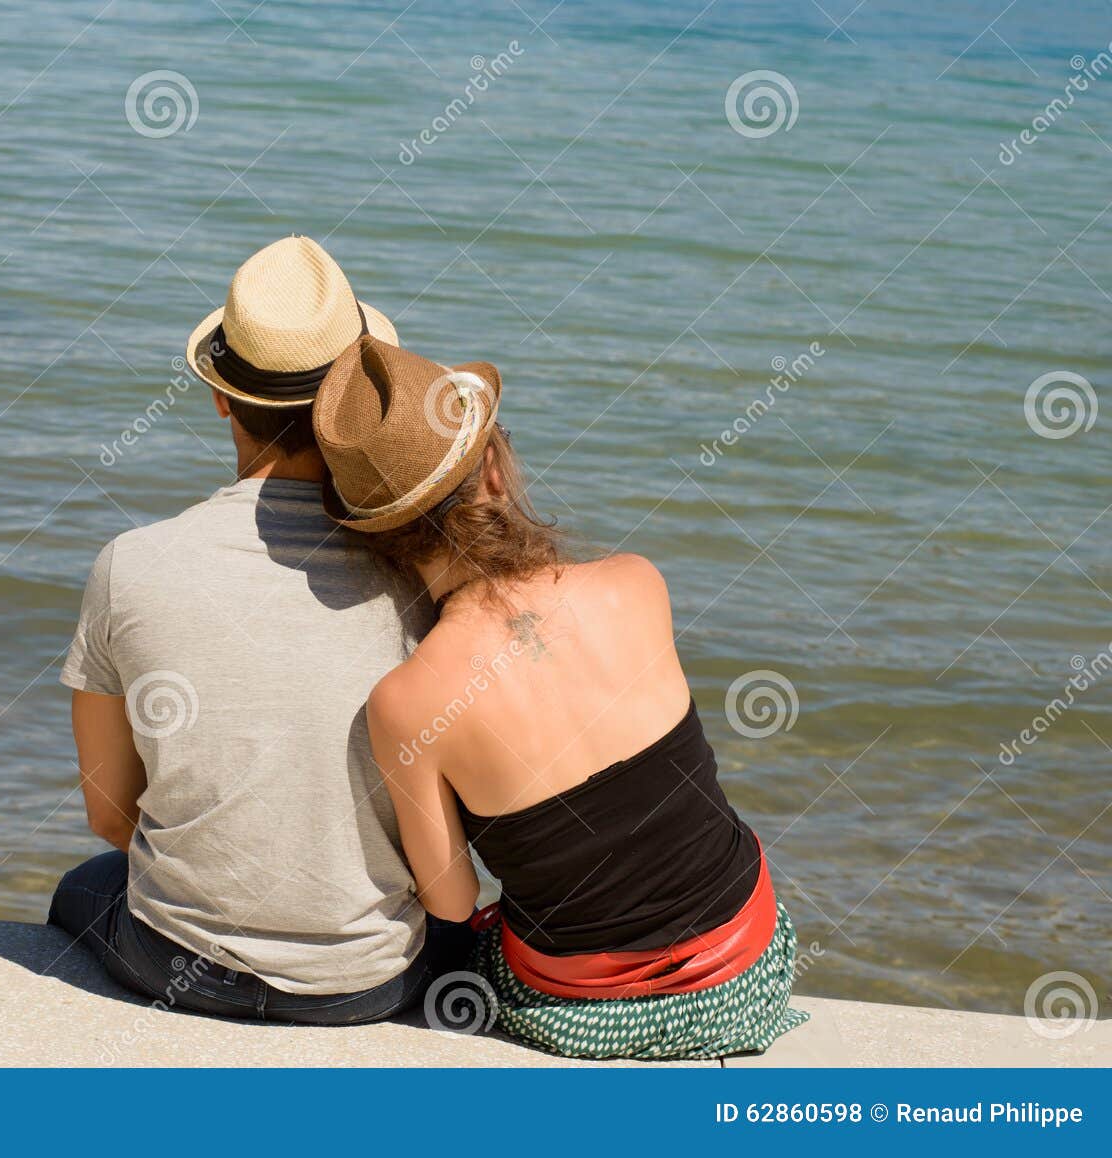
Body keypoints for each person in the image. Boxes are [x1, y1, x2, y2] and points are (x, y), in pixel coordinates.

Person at [310, 334, 808, 1058]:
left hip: (579, 1009)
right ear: (493, 469)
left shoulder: (406, 703)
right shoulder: (637, 582)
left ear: (378, 540)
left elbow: (451, 903)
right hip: (748, 969)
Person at [51, 238, 472, 1024]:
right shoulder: (423, 574)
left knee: (81, 889)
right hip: (363, 985)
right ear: (356, 402)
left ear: (220, 397)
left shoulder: (130, 565)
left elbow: (111, 815)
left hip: (173, 962)